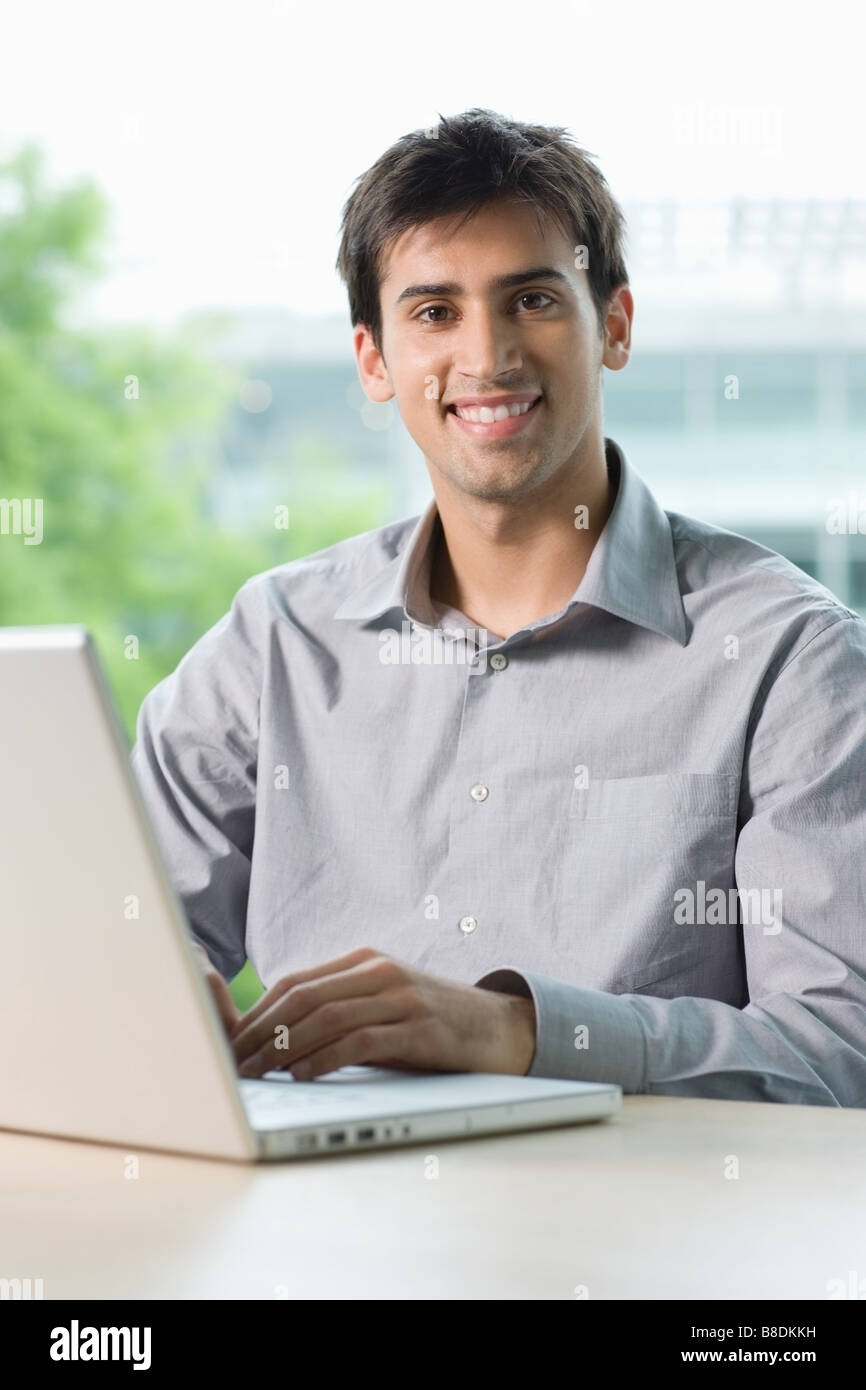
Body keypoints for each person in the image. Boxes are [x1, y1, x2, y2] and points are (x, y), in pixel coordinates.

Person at [131, 109, 866, 1105]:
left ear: (612, 324)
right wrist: (155, 1011)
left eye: (530, 300)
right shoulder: (274, 644)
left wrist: (519, 1031)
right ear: (373, 359)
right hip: (312, 1236)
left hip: (643, 1245)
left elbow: (837, 1049)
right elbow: (112, 942)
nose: (487, 356)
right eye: (433, 312)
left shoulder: (790, 661)